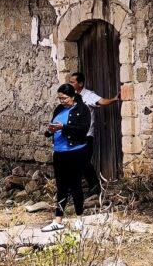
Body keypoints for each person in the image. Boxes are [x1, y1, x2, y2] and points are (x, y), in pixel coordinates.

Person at [41, 83, 92, 233]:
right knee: (61, 186)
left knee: (75, 185)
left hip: (75, 152)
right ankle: (58, 220)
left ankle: (79, 219)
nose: (62, 101)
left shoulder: (83, 110)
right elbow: (54, 126)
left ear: (72, 96)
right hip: (59, 152)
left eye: (64, 98)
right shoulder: (59, 109)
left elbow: (83, 130)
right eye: (60, 98)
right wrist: (50, 130)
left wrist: (63, 128)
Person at [67, 72, 121, 197]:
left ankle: (95, 186)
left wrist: (114, 99)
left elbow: (101, 101)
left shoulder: (88, 95)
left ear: (80, 83)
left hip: (86, 136)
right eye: (69, 82)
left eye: (72, 82)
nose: (70, 84)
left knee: (83, 161)